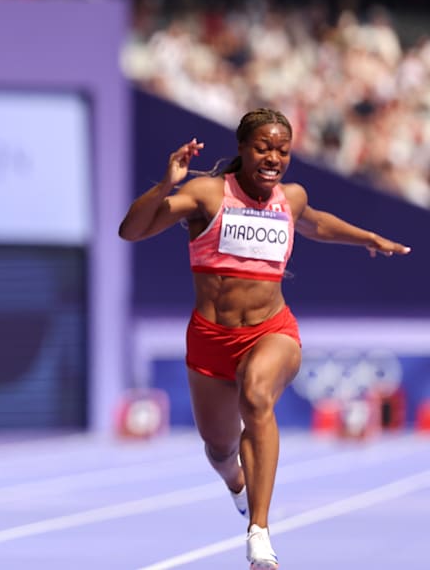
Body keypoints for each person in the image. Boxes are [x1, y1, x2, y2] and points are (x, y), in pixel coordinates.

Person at [118, 107, 410, 570]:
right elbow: (130, 230)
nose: (273, 157)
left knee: (256, 397)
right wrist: (166, 184)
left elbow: (316, 223)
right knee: (218, 449)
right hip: (210, 340)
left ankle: (260, 533)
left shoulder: (289, 198)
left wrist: (368, 236)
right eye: (263, 147)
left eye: (283, 150)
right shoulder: (208, 194)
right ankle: (236, 482)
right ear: (241, 148)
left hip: (272, 331)